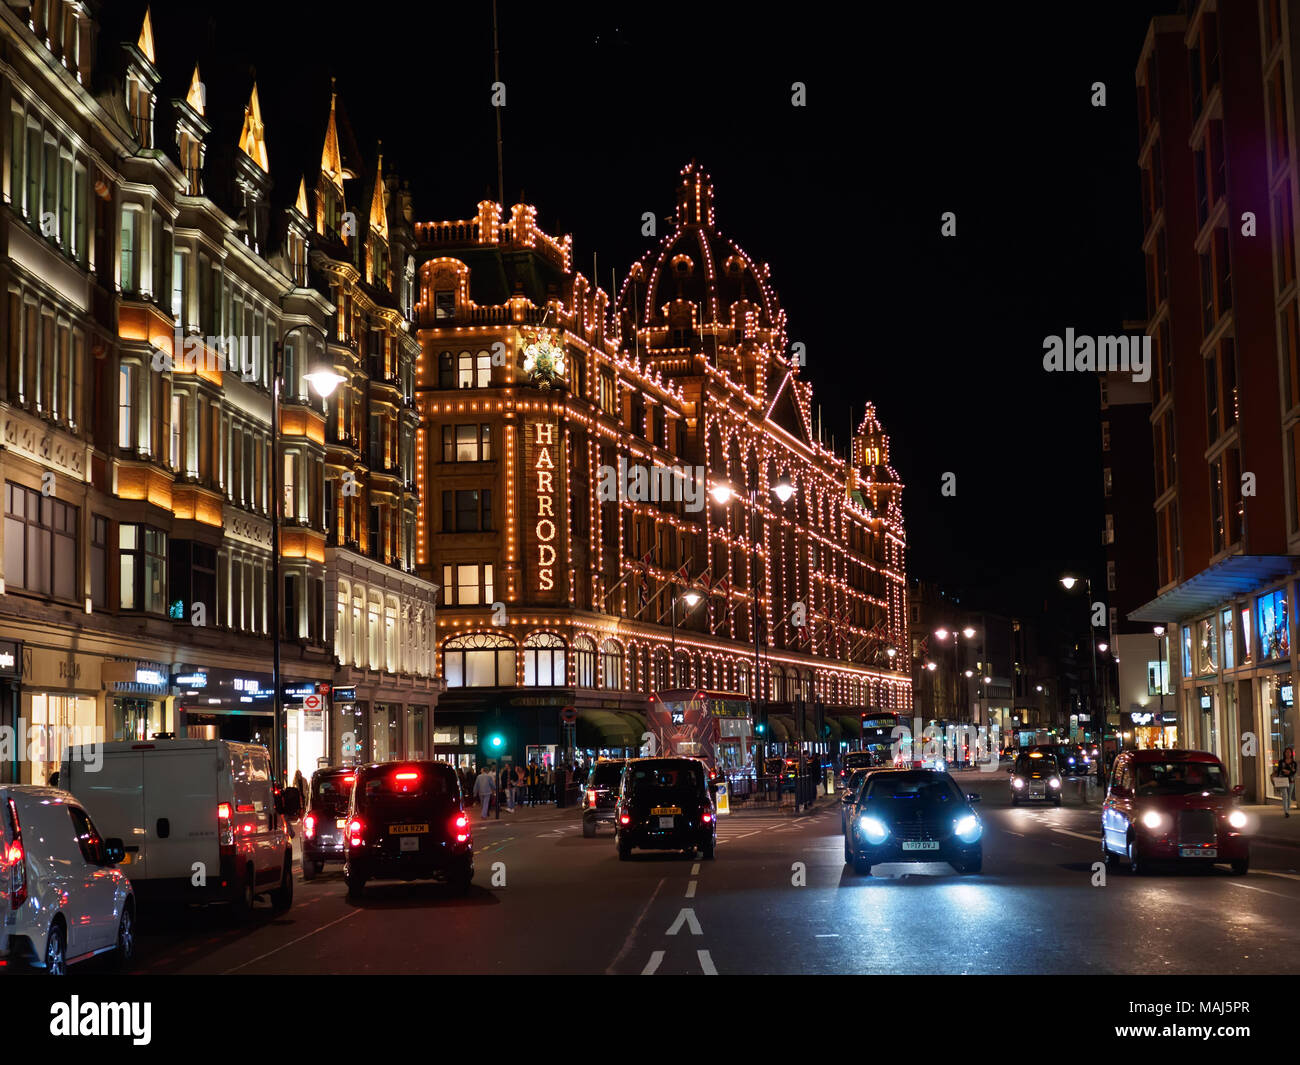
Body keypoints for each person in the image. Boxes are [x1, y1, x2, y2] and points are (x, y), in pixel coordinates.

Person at [1278, 746, 1297, 817]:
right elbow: (1279, 770)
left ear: (1291, 754)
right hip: (1283, 780)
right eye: (1286, 752)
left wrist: (1289, 772)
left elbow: (1294, 772)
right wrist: (1283, 771)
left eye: (1289, 752)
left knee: (1289, 796)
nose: (1288, 754)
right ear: (1284, 753)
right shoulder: (1281, 762)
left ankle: (1288, 810)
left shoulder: (1294, 763)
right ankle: (1286, 811)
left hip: (1291, 780)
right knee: (1285, 795)